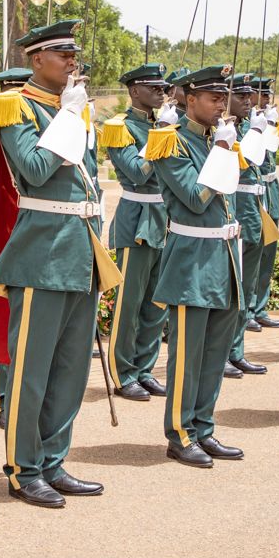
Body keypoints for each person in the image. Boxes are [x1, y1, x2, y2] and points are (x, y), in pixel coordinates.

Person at [0, 20, 117, 509]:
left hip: (80, 251)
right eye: (62, 54)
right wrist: (67, 118)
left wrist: (72, 113)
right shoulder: (15, 106)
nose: (73, 61)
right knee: (31, 373)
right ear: (36, 59)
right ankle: (23, 468)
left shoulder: (74, 107)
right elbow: (32, 170)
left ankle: (53, 461)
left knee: (70, 371)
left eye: (74, 53)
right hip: (41, 253)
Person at [145, 64, 246, 467]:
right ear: (190, 100)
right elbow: (195, 198)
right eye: (214, 98)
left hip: (223, 258)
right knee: (187, 358)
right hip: (191, 260)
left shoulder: (214, 140)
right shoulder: (171, 142)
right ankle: (180, 432)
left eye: (224, 98)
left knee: (214, 354)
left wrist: (223, 148)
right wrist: (220, 151)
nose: (222, 105)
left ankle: (203, 427)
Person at [98, 62, 172, 402]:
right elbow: (138, 173)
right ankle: (123, 373)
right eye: (153, 88)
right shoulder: (120, 128)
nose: (161, 93)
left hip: (165, 219)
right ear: (134, 91)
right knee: (129, 305)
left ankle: (144, 369)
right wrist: (162, 136)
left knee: (156, 305)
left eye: (163, 88)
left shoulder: (164, 125)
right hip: (137, 218)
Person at [226, 74, 269, 378]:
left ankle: (236, 350)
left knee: (247, 288)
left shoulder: (244, 127)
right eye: (239, 96)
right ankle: (223, 352)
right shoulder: (224, 131)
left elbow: (262, 162)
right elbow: (243, 161)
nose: (248, 101)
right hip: (237, 209)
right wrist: (254, 132)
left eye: (248, 96)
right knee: (233, 289)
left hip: (253, 210)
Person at [252, 77, 279, 332]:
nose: (265, 98)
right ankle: (249, 309)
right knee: (252, 256)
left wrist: (271, 126)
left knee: (268, 255)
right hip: (253, 193)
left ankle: (260, 307)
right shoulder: (245, 124)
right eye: (260, 94)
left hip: (271, 191)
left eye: (268, 94)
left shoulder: (266, 120)